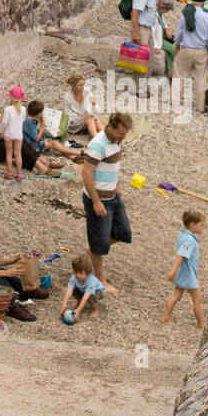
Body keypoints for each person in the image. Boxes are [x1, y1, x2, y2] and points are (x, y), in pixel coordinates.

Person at [80, 112, 133, 293]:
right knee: (99, 241)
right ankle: (100, 279)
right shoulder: (98, 145)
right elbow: (86, 173)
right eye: (121, 134)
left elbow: (113, 164)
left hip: (113, 195)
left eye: (125, 134)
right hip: (99, 199)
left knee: (123, 232)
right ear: (111, 126)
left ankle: (94, 249)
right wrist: (96, 201)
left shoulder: (117, 141)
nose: (123, 137)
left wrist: (117, 185)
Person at [172, 0, 208, 114]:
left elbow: (179, 33)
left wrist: (177, 47)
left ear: (192, 2)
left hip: (186, 49)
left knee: (179, 76)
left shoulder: (185, 15)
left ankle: (176, 104)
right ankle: (200, 107)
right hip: (201, 52)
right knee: (201, 79)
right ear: (203, 4)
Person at [161, 210, 205, 329]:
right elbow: (181, 255)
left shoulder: (183, 235)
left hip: (182, 271)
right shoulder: (189, 240)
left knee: (176, 295)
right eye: (201, 225)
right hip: (187, 273)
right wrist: (174, 271)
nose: (203, 227)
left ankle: (165, 317)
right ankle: (201, 324)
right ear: (192, 225)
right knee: (197, 298)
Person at [130, 0, 166, 76]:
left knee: (150, 59)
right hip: (141, 29)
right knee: (141, 59)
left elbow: (159, 6)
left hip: (149, 28)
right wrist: (136, 32)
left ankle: (144, 85)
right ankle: (138, 86)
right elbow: (135, 12)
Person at [22, 100, 66, 173]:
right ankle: (75, 154)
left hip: (27, 142)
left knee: (54, 143)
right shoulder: (30, 122)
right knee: (54, 144)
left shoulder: (27, 118)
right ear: (39, 113)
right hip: (30, 145)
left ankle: (73, 155)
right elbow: (36, 138)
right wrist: (42, 127)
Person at [59, 253, 105, 321]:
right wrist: (64, 304)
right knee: (74, 290)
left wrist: (78, 311)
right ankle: (79, 302)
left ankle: (95, 310)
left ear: (87, 273)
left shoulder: (91, 281)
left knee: (90, 297)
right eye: (75, 272)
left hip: (98, 291)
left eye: (80, 273)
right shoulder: (74, 276)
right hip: (83, 289)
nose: (77, 275)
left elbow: (86, 296)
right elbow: (69, 291)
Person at [64, 73, 104, 141]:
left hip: (87, 118)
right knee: (90, 119)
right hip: (74, 123)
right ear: (73, 86)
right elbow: (68, 116)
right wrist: (82, 116)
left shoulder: (87, 91)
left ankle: (107, 138)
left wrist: (93, 105)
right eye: (80, 85)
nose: (82, 87)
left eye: (83, 84)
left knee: (96, 120)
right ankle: (97, 140)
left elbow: (96, 111)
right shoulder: (67, 97)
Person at [0, 87, 26, 181]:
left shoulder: (8, 109)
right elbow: (23, 120)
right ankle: (19, 174)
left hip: (9, 135)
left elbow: (4, 122)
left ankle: (9, 173)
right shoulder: (23, 109)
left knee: (9, 153)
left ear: (12, 97)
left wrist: (1, 131)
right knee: (18, 154)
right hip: (18, 135)